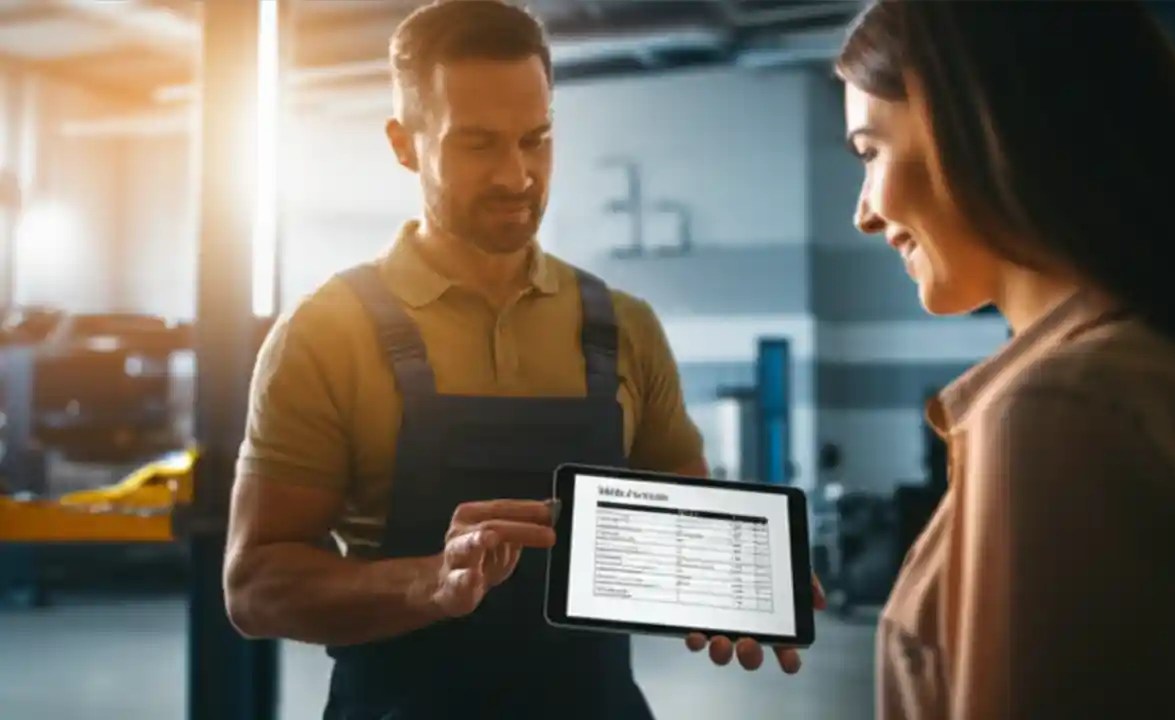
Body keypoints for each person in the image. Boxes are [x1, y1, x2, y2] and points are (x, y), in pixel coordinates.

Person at [221, 2, 819, 718]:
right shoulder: (326, 333)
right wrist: (429, 584)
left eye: (535, 140)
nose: (517, 175)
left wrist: (738, 585)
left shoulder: (625, 328)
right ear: (404, 144)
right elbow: (254, 586)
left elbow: (681, 537)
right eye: (476, 144)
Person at [831, 1, 1175, 718]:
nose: (864, 213)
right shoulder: (1162, 375)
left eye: (869, 151)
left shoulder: (1060, 414)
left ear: (979, 124)